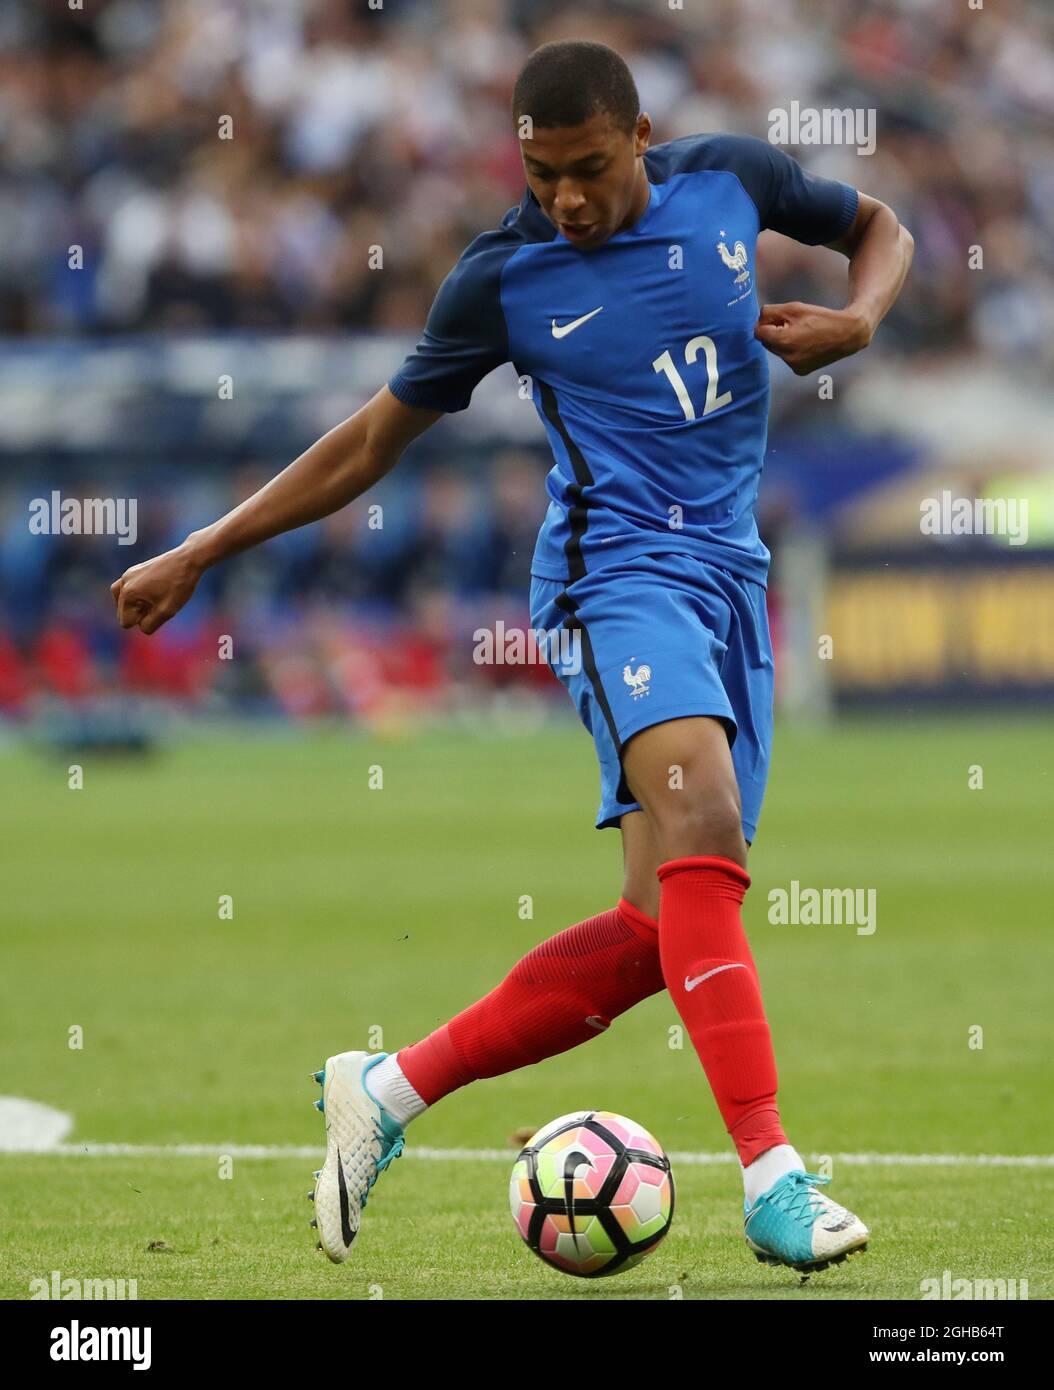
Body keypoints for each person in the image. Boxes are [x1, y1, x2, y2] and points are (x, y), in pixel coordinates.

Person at [112, 40, 913, 1275]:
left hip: (728, 583)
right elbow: (369, 442)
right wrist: (204, 548)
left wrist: (860, 317)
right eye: (542, 174)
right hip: (613, 579)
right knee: (702, 821)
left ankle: (385, 1090)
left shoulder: (733, 184)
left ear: (640, 137)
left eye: (588, 169)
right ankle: (773, 1176)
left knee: (661, 929)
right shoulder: (505, 276)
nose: (566, 200)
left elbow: (881, 225)